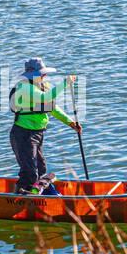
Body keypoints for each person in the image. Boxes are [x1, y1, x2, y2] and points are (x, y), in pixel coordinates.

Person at [9, 57, 81, 196]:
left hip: (37, 133)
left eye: (44, 73)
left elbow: (52, 107)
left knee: (41, 169)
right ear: (33, 74)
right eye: (42, 73)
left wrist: (70, 122)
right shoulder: (24, 87)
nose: (45, 75)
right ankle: (20, 198)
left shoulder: (42, 86)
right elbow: (45, 98)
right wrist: (65, 83)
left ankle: (43, 194)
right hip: (23, 134)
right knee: (29, 172)